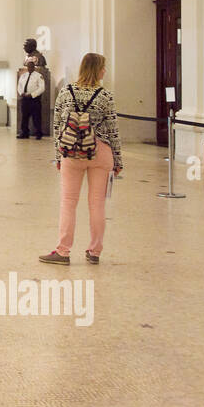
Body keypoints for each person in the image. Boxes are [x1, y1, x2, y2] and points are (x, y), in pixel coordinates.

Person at [41, 52, 122, 265]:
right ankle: (95, 251)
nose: (105, 71)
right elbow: (113, 131)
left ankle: (63, 251)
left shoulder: (66, 92)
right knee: (97, 204)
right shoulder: (105, 96)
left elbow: (58, 126)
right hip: (100, 152)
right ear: (96, 70)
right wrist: (118, 161)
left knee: (68, 202)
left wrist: (58, 156)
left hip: (72, 151)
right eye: (103, 67)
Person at [16, 59, 46, 139]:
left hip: (34, 100)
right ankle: (24, 133)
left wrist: (32, 95)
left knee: (36, 117)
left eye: (31, 67)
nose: (30, 68)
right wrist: (21, 93)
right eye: (28, 67)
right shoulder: (23, 76)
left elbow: (42, 88)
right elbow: (19, 86)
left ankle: (38, 133)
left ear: (34, 67)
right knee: (24, 117)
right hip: (25, 99)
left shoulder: (39, 76)